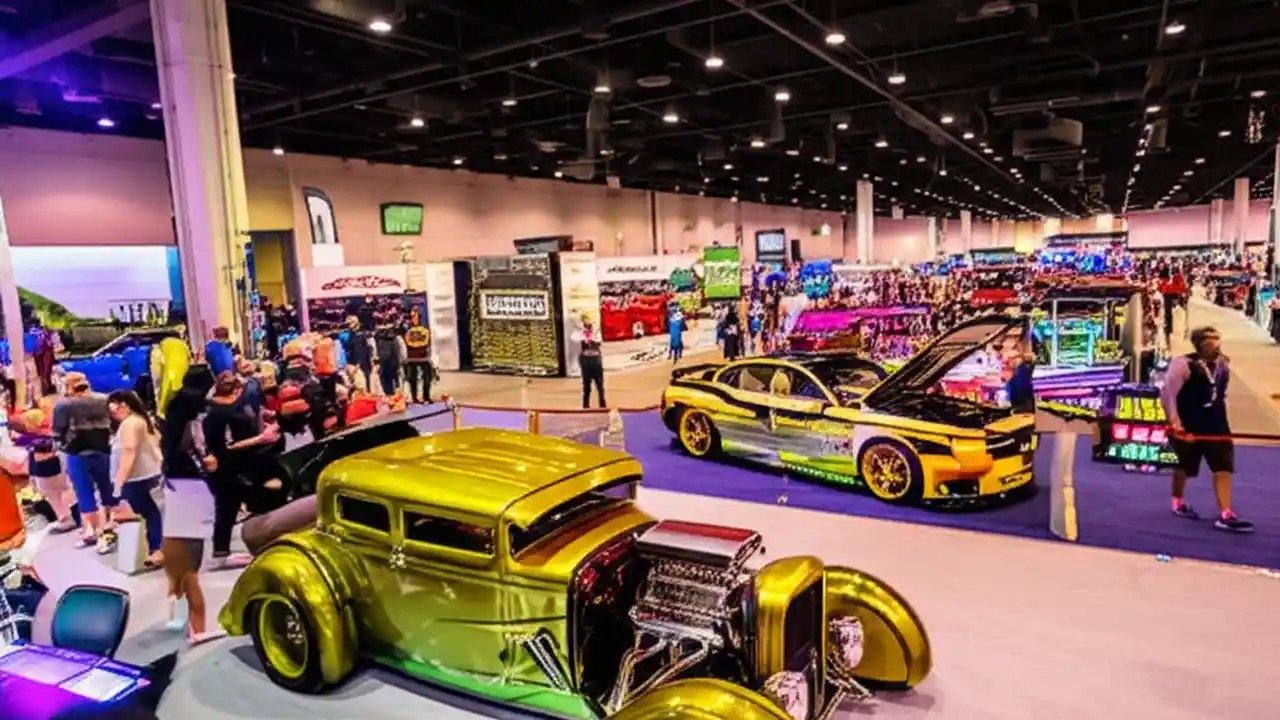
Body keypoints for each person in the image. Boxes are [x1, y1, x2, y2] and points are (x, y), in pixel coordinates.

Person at [1160, 326, 1253, 533]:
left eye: (1216, 339)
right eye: (1209, 339)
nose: (1214, 343)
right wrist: (1175, 423)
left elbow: (1220, 393)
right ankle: (1178, 500)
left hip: (1216, 424)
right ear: (1198, 342)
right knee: (1185, 466)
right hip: (1189, 422)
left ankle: (1226, 511)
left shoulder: (1222, 365)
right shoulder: (1183, 364)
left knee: (1223, 466)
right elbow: (1169, 394)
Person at [202, 372, 280, 568]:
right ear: (236, 390)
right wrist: (261, 439)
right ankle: (224, 551)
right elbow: (226, 445)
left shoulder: (220, 409)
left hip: (233, 466)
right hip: (227, 468)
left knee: (230, 507)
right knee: (229, 507)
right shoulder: (218, 414)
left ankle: (224, 550)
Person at [52, 372, 119, 553]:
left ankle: (91, 530)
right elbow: (114, 424)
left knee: (84, 492)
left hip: (77, 454)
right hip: (104, 452)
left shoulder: (64, 406)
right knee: (108, 489)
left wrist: (63, 446)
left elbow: (57, 432)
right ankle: (111, 527)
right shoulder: (105, 400)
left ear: (68, 387)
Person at [107, 390, 165, 568]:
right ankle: (156, 548)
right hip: (146, 474)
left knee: (148, 512)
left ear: (123, 405)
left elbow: (128, 452)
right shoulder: (142, 420)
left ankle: (157, 549)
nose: (112, 413)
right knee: (151, 512)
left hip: (137, 477)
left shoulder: (130, 424)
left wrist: (119, 482)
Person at [574, 317, 606, 409]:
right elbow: (574, 338)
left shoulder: (596, 333)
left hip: (596, 361)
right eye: (586, 325)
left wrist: (591, 335)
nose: (588, 327)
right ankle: (585, 406)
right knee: (586, 387)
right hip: (586, 362)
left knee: (600, 386)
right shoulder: (580, 334)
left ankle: (603, 406)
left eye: (589, 326)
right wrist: (582, 332)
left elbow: (598, 340)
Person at [402, 315, 433, 403]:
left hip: (424, 358)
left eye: (415, 317)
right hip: (412, 358)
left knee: (427, 377)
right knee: (412, 378)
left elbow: (426, 342)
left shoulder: (425, 331)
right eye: (412, 317)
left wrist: (415, 345)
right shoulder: (409, 332)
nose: (414, 319)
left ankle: (426, 396)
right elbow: (408, 343)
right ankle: (414, 397)